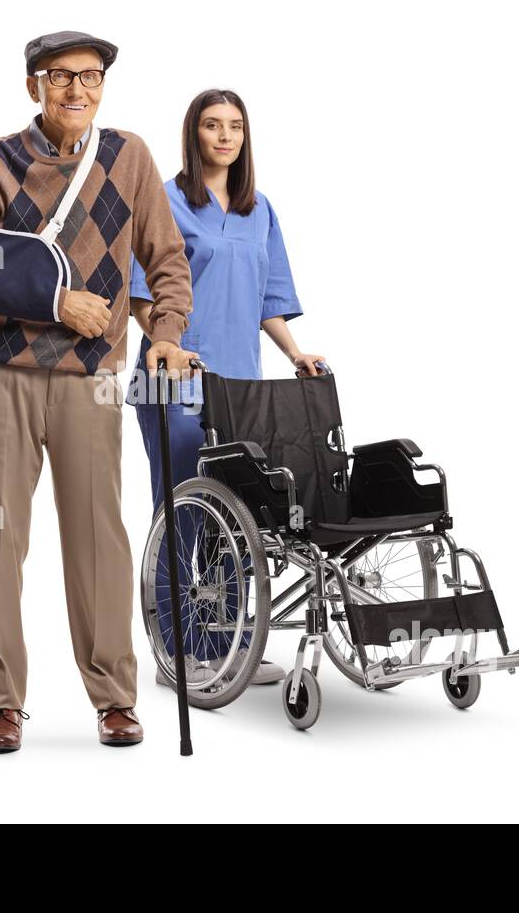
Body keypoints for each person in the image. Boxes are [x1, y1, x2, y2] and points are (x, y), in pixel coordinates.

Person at [0, 31, 195, 753]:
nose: (77, 91)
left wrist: (165, 333)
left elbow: (168, 259)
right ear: (34, 86)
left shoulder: (128, 158)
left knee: (99, 539)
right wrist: (60, 302)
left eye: (90, 77)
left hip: (90, 380)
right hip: (3, 377)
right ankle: (0, 701)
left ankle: (113, 696)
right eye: (61, 77)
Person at [129, 88, 325, 688]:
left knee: (234, 517)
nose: (224, 136)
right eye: (212, 125)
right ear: (194, 134)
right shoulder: (163, 202)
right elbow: (141, 295)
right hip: (173, 379)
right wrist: (167, 342)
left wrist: (295, 354)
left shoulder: (258, 209)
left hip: (238, 386)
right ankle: (179, 650)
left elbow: (270, 299)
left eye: (234, 126)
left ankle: (227, 643)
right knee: (183, 511)